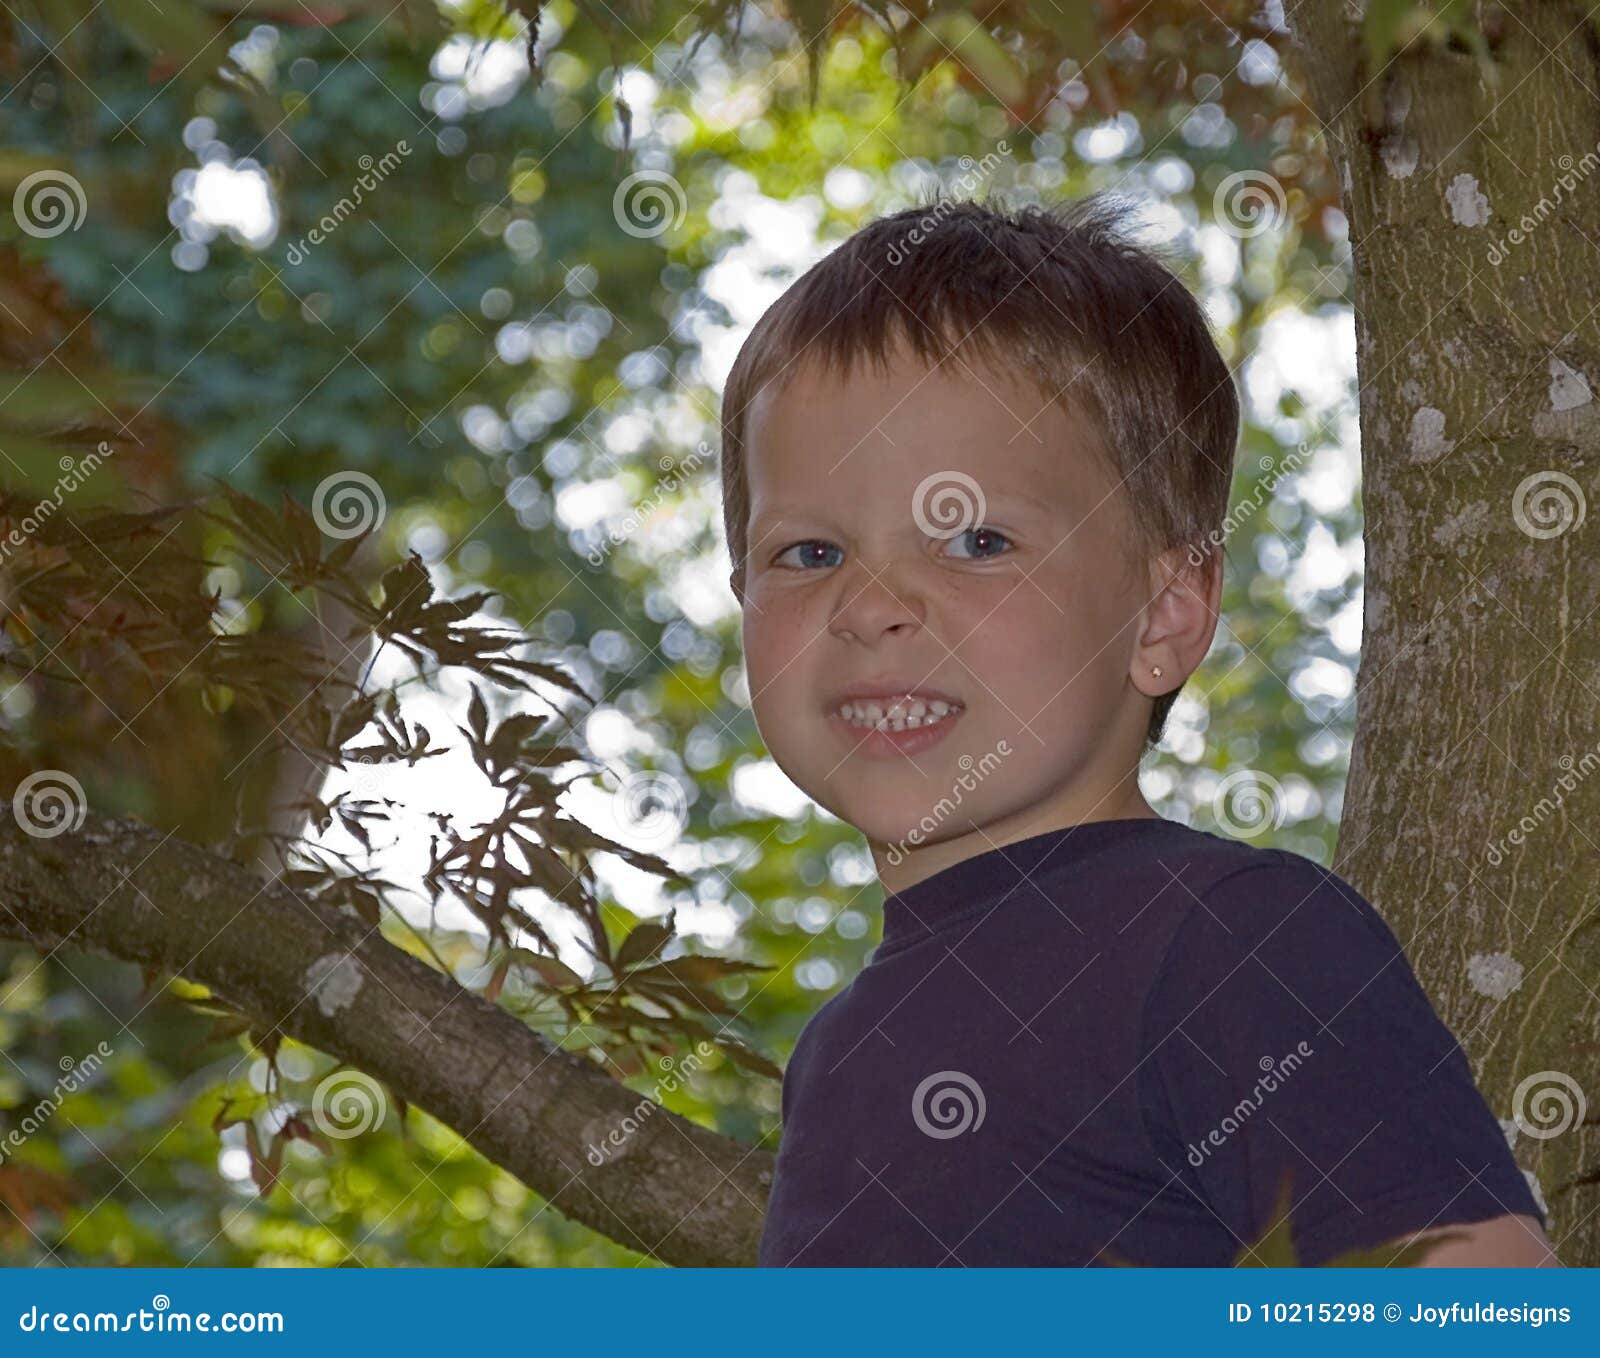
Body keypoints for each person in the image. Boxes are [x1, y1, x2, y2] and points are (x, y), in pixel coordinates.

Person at [717, 192, 1559, 1267]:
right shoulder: (837, 1049)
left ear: (1162, 617)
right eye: (810, 553)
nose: (870, 604)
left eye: (975, 540)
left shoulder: (1233, 939)